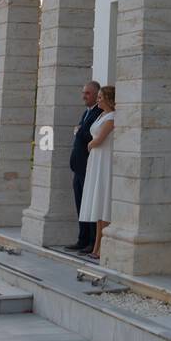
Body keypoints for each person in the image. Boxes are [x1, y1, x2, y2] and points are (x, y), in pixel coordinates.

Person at [78, 85, 115, 260]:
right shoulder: (101, 115)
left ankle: (102, 247)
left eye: (100, 97)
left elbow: (98, 140)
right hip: (96, 161)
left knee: (104, 201)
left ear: (108, 99)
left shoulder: (112, 117)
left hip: (104, 160)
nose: (98, 99)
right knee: (97, 202)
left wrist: (90, 144)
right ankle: (96, 246)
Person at [65, 81, 101, 254]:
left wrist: (79, 131)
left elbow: (92, 136)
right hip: (78, 167)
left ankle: (92, 241)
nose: (83, 96)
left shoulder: (99, 113)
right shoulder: (86, 112)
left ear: (96, 94)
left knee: (89, 205)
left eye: (87, 93)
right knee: (80, 204)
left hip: (88, 167)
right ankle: (82, 238)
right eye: (83, 92)